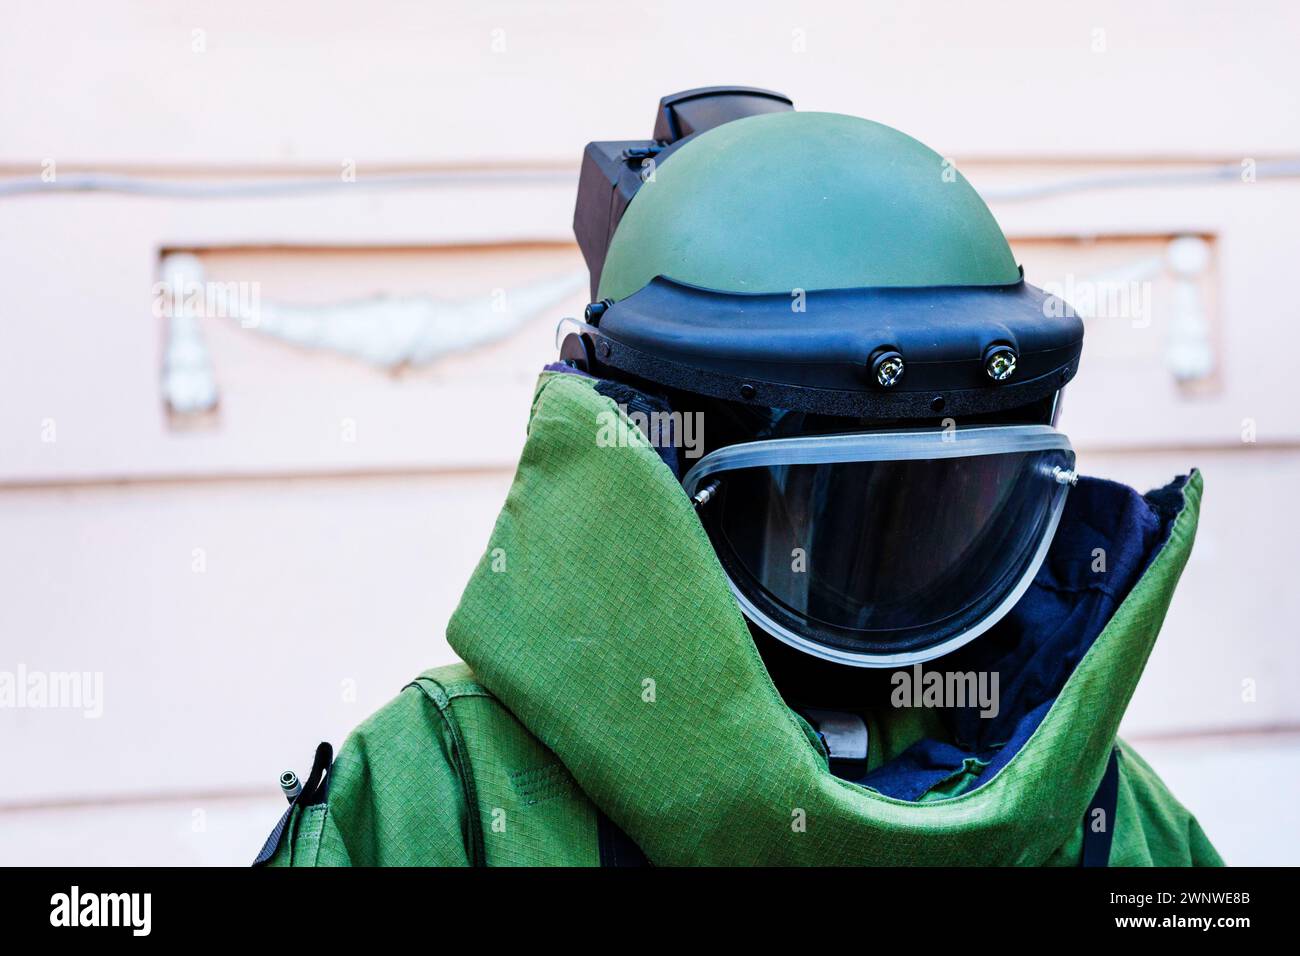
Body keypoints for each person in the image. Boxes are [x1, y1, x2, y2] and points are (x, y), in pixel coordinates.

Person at [258, 88, 1221, 866]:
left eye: (948, 503)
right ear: (650, 478)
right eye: (816, 515)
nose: (881, 574)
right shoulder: (1080, 792)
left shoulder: (440, 786)